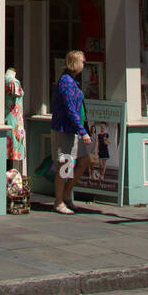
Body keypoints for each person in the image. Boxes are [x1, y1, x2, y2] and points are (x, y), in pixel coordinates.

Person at [50, 50, 91, 213]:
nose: (84, 63)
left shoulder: (72, 81)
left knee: (85, 161)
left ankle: (66, 194)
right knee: (64, 165)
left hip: (75, 130)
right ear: (75, 63)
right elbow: (70, 109)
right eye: (82, 61)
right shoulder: (66, 82)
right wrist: (83, 131)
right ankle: (58, 201)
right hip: (65, 129)